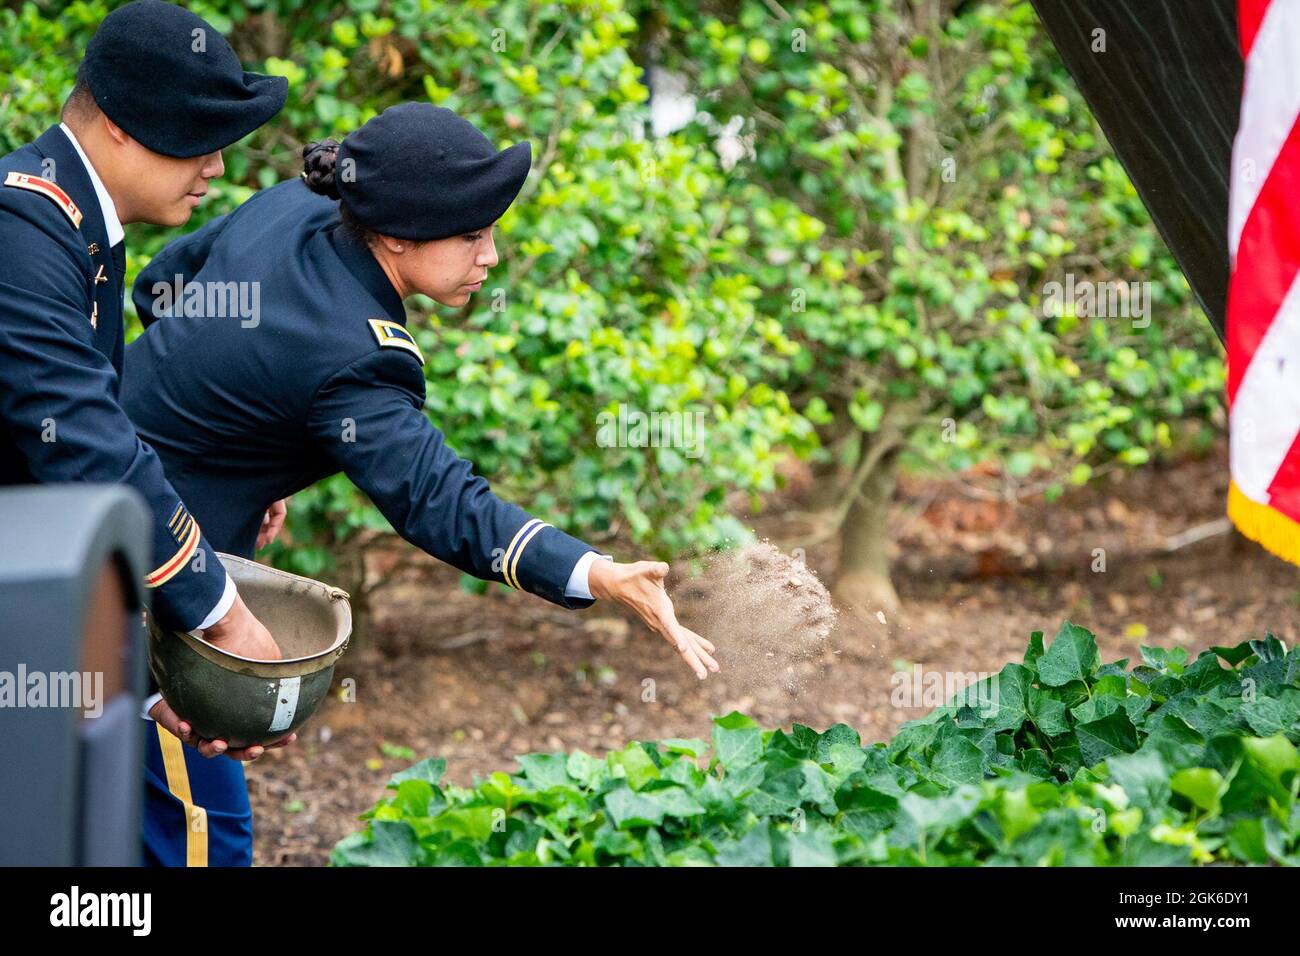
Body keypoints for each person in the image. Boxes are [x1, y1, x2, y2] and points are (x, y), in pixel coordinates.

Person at [122, 101, 719, 865]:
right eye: (472, 235)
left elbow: (164, 287)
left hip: (86, 498)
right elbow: (438, 501)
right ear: (399, 234)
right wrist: (598, 573)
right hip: (146, 582)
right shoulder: (358, 355)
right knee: (205, 836)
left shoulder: (301, 203)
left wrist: (239, 446)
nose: (491, 257)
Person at [0, 0, 291, 866]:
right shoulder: (22, 232)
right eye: (198, 138)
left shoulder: (79, 223)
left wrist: (147, 675)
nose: (215, 165)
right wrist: (219, 616)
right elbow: (82, 445)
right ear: (122, 129)